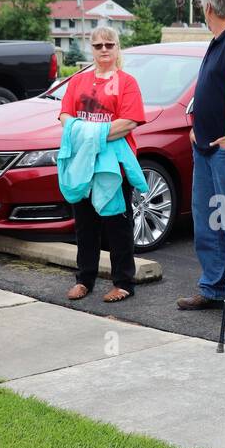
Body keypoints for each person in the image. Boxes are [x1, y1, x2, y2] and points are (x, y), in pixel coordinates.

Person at [176, 0, 225, 320]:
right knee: (207, 221)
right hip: (204, 147)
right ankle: (213, 288)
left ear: (208, 8)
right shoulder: (218, 41)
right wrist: (196, 127)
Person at [59, 25, 146, 302]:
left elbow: (128, 122)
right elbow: (64, 117)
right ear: (91, 49)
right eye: (98, 45)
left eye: (110, 44)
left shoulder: (127, 82)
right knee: (85, 223)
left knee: (117, 224)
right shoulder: (77, 82)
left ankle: (123, 282)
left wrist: (90, 133)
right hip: (83, 162)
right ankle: (85, 279)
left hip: (113, 164)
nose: (104, 49)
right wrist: (87, 133)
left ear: (117, 47)